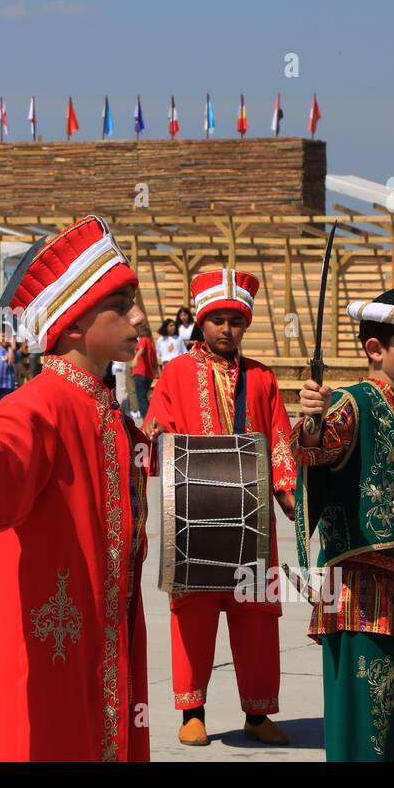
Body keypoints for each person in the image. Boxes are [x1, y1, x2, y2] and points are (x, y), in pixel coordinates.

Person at [0, 214, 152, 761]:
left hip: (106, 621)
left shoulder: (101, 402)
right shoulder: (41, 401)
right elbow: (0, 445)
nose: (137, 317)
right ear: (72, 326)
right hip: (57, 633)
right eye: (119, 307)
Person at [292, 283, 394, 762]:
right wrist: (312, 419)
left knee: (388, 721)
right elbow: (315, 449)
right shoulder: (353, 400)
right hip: (360, 587)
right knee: (364, 721)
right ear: (375, 349)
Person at [144, 269, 296, 747]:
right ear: (202, 322)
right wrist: (152, 438)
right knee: (193, 611)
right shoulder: (175, 373)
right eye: (218, 320)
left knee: (255, 614)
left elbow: (279, 440)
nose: (227, 329)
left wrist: (288, 492)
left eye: (236, 320)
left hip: (253, 515)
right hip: (194, 512)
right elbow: (159, 431)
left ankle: (257, 714)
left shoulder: (263, 378)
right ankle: (193, 710)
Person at [131, 318, 156, 418]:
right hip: (148, 374)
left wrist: (135, 358)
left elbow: (141, 349)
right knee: (145, 397)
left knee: (141, 397)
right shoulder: (151, 343)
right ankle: (150, 417)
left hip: (140, 372)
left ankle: (146, 419)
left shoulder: (143, 340)